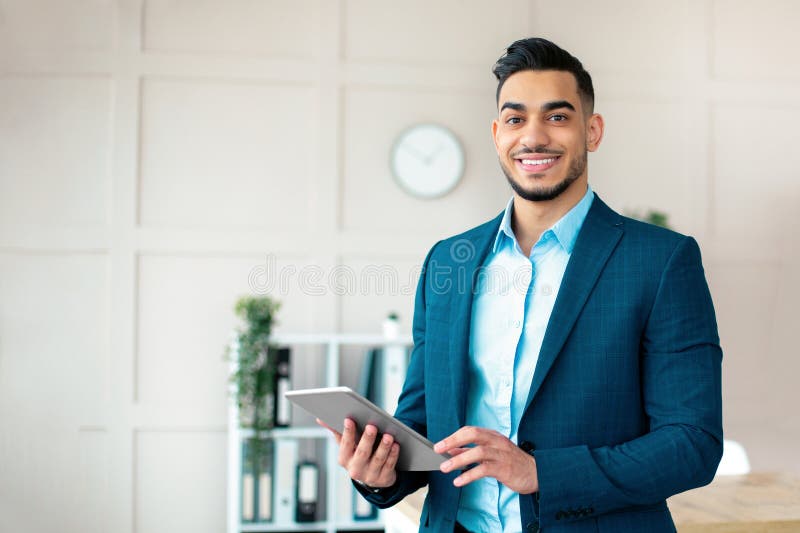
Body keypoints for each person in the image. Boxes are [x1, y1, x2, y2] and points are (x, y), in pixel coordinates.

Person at [320, 37, 723, 533]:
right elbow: (424, 425)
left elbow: (692, 443)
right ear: (496, 134)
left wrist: (541, 474)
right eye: (515, 119)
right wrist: (380, 472)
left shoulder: (661, 261)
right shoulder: (448, 262)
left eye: (557, 117)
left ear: (592, 131)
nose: (533, 137)